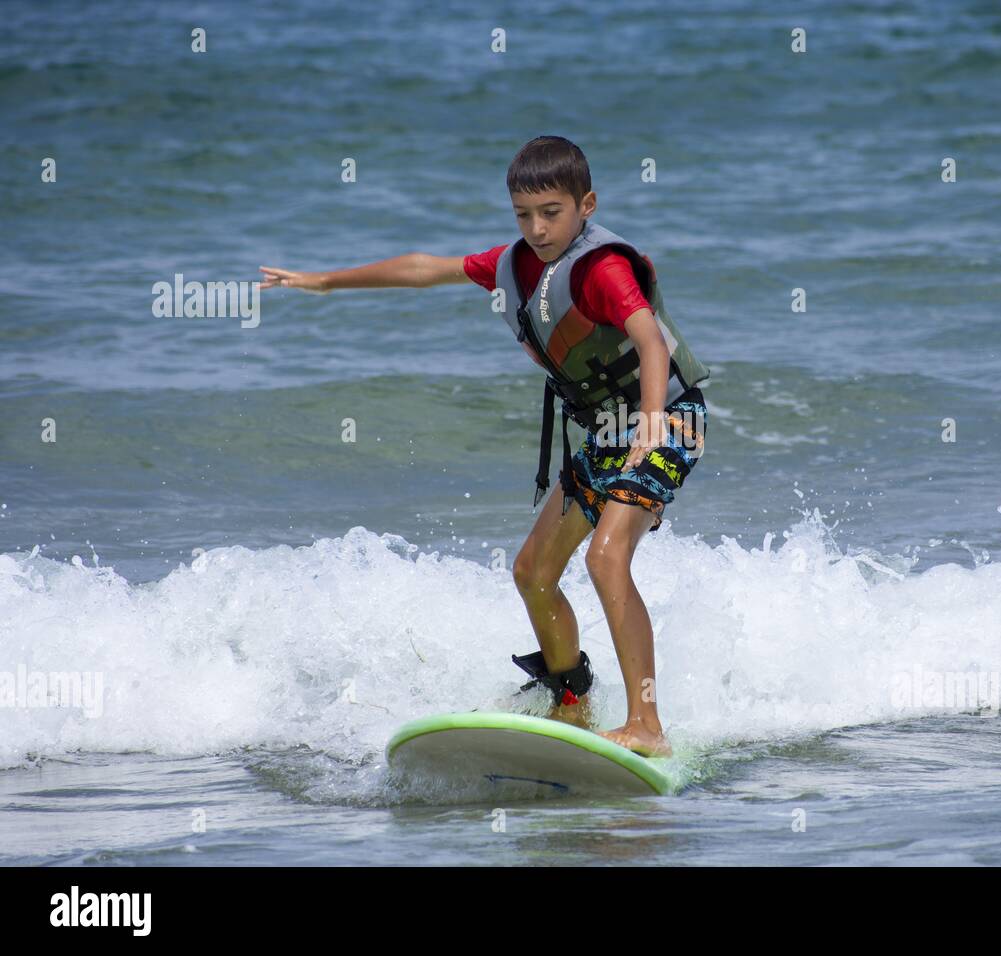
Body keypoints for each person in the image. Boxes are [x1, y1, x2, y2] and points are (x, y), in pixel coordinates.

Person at [259, 135, 710, 757]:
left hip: (668, 420)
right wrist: (325, 282)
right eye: (523, 214)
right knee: (532, 571)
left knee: (606, 558)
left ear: (586, 205)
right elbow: (426, 268)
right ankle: (571, 702)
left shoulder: (600, 269)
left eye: (551, 212)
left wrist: (654, 421)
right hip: (608, 431)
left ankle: (647, 728)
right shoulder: (515, 265)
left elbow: (650, 342)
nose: (537, 227)